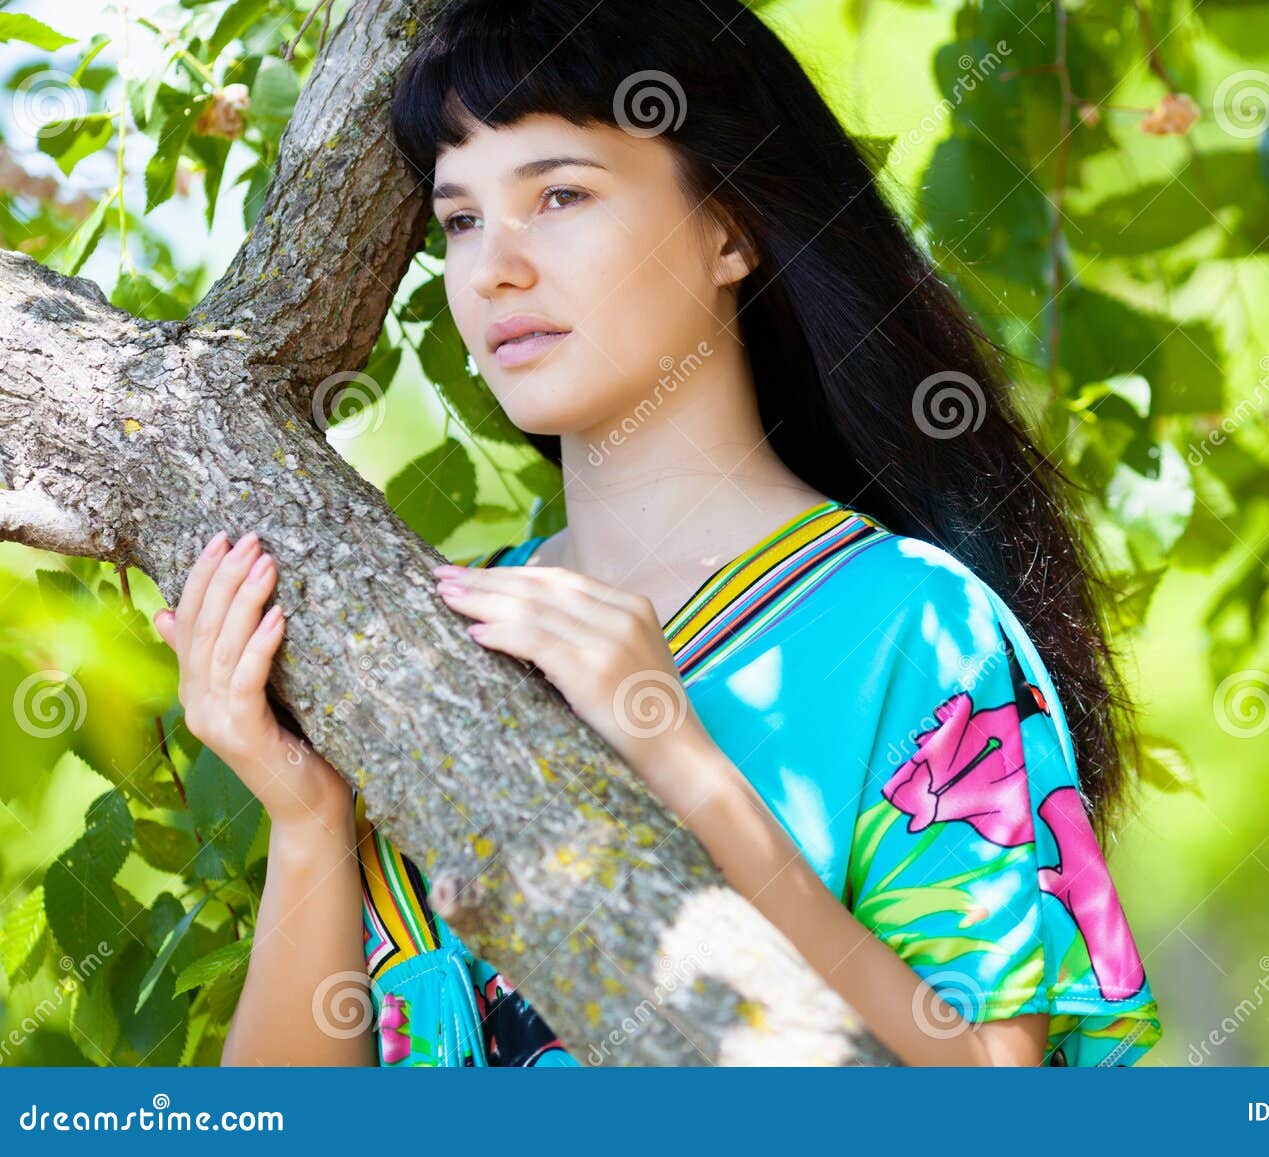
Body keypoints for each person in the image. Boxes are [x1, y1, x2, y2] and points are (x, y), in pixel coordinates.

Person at [151, 0, 1162, 1067]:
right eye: (459, 220)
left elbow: (986, 1090)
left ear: (729, 228)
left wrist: (681, 760)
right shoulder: (429, 640)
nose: (495, 267)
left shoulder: (905, 624)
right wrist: (309, 822)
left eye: (560, 195)